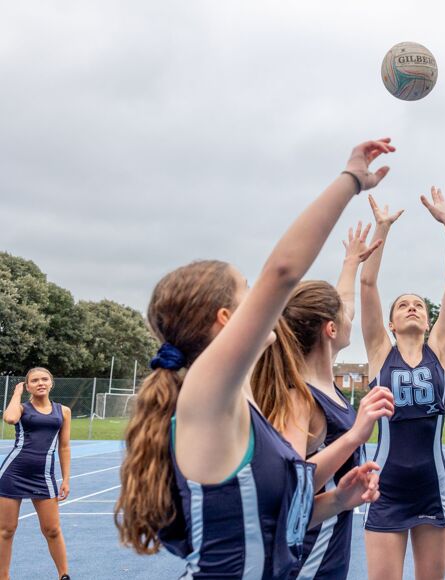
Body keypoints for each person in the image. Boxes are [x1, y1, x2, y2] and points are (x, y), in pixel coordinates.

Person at [115, 138, 395, 579]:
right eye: (248, 290)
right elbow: (283, 271)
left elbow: (274, 522)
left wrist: (339, 499)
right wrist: (351, 180)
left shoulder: (242, 407)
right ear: (226, 320)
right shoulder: (206, 394)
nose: (264, 304)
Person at [251, 223, 395, 580]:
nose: (350, 318)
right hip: (306, 555)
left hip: (327, 547)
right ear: (330, 330)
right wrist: (354, 437)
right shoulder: (297, 397)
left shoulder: (322, 383)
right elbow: (287, 489)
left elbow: (340, 302)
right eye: (345, 317)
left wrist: (351, 263)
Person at [360, 187, 445, 580]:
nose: (412, 307)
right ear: (391, 323)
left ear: (430, 320)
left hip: (433, 486)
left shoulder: (441, 351)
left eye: (419, 304)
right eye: (403, 305)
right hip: (386, 487)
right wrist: (382, 230)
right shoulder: (381, 352)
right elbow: (367, 287)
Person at [0, 367, 71, 580]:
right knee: (6, 530)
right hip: (13, 474)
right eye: (34, 380)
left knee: (52, 530)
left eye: (44, 379)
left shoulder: (63, 411)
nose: (40, 383)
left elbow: (64, 447)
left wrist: (66, 478)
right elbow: (10, 418)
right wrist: (16, 393)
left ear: (51, 383)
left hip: (44, 477)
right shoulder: (21, 408)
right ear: (27, 385)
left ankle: (64, 575)